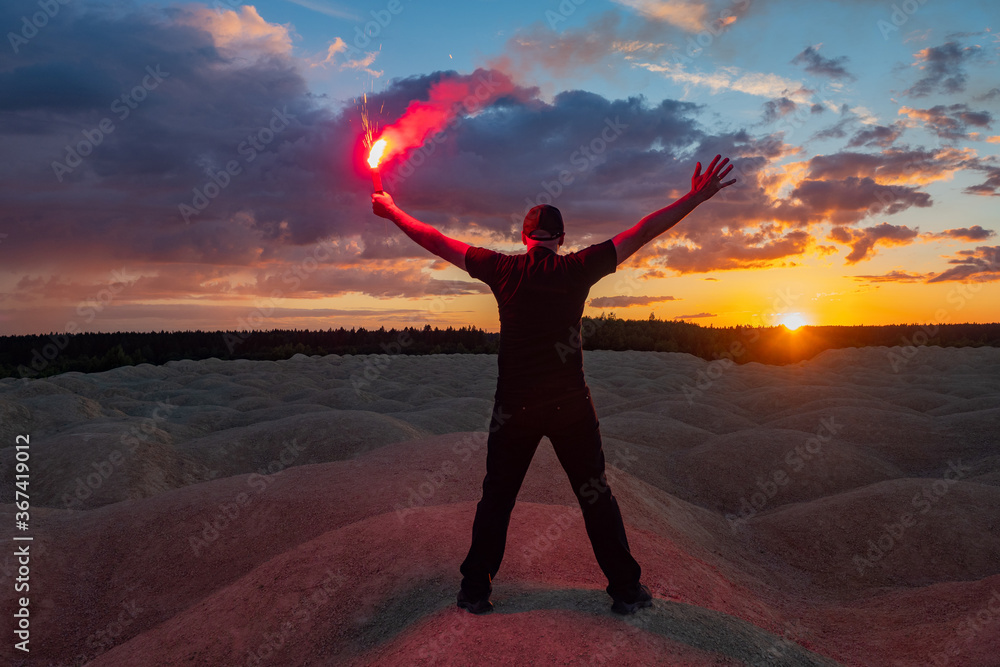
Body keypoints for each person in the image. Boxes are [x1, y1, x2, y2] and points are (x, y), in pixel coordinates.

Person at [371, 154, 736, 615]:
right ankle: (626, 590)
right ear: (561, 240)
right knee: (595, 495)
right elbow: (643, 230)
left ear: (524, 239)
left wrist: (392, 211)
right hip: (570, 408)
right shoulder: (577, 268)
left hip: (514, 409)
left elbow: (435, 239)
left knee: (497, 498)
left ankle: (474, 592)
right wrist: (696, 197)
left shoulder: (501, 269)